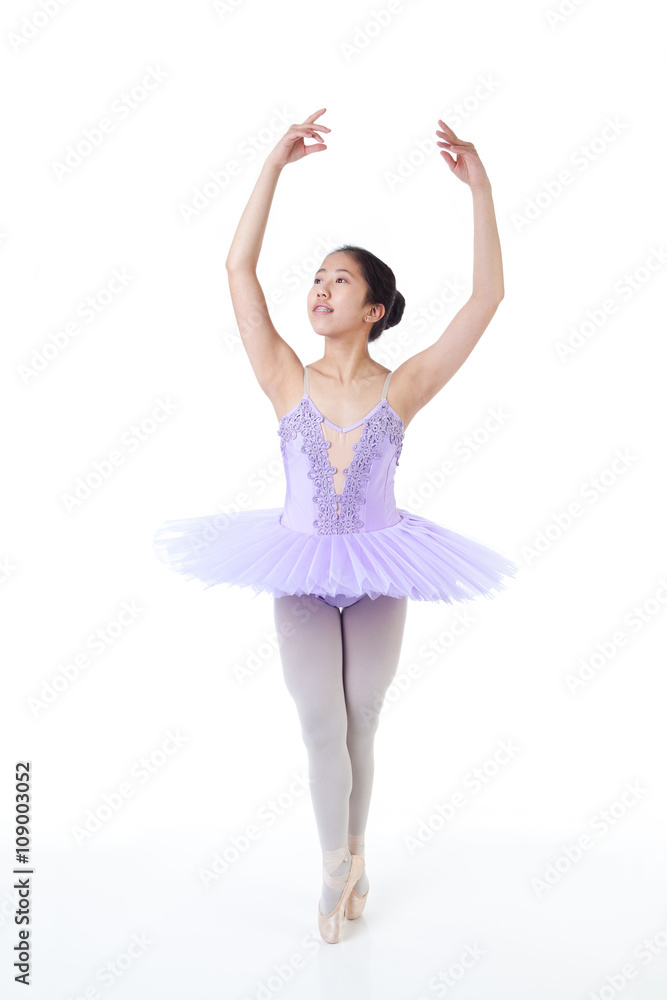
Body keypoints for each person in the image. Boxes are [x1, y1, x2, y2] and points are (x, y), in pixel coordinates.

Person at [152, 109, 518, 944]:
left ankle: (356, 851)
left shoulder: (406, 386)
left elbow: (488, 299)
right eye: (315, 277)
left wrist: (481, 190)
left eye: (339, 280)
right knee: (320, 721)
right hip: (299, 571)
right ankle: (333, 866)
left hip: (383, 571)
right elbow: (238, 270)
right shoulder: (285, 377)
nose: (318, 288)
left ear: (376, 310)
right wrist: (273, 163)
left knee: (361, 717)